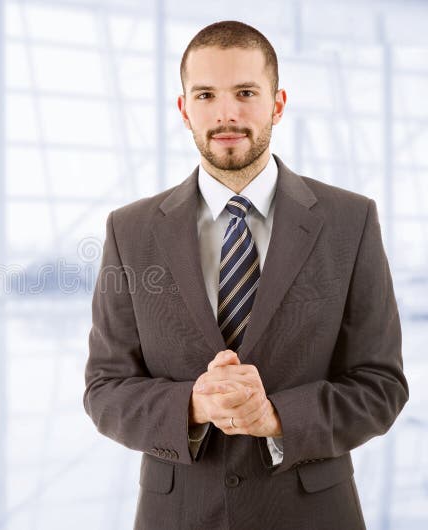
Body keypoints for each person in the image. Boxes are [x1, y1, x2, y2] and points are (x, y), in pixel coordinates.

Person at [82, 20, 408, 529]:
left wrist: (278, 418)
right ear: (184, 108)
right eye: (206, 94)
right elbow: (105, 388)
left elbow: (381, 386)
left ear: (277, 104)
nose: (226, 113)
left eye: (246, 92)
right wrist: (192, 403)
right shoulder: (131, 230)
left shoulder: (351, 221)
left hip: (313, 514)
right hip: (178, 515)